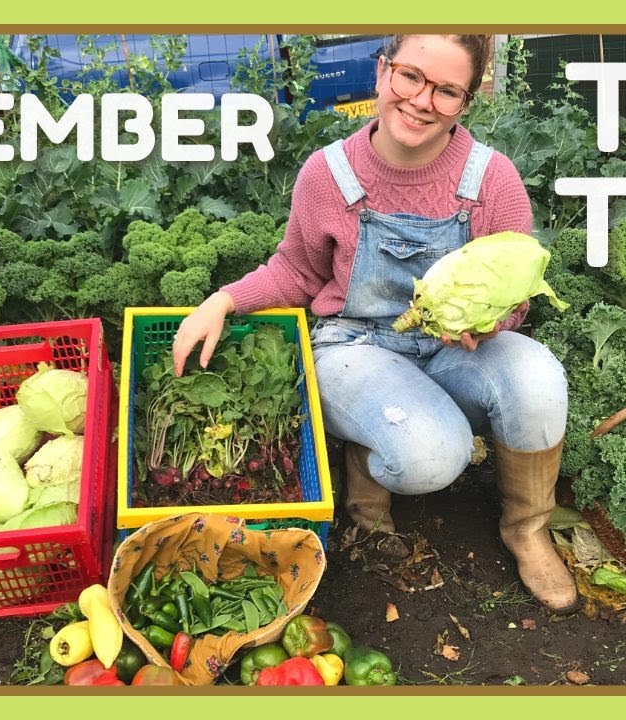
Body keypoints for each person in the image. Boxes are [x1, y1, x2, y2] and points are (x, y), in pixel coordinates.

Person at [171, 34, 577, 613]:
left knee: (538, 377)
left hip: (451, 349)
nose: (421, 100)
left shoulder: (492, 179)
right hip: (354, 346)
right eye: (411, 76)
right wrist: (224, 300)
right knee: (431, 457)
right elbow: (297, 269)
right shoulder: (328, 174)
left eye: (446, 90)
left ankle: (527, 529)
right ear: (383, 70)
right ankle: (368, 467)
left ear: (465, 102)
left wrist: (492, 321)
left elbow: (516, 288)